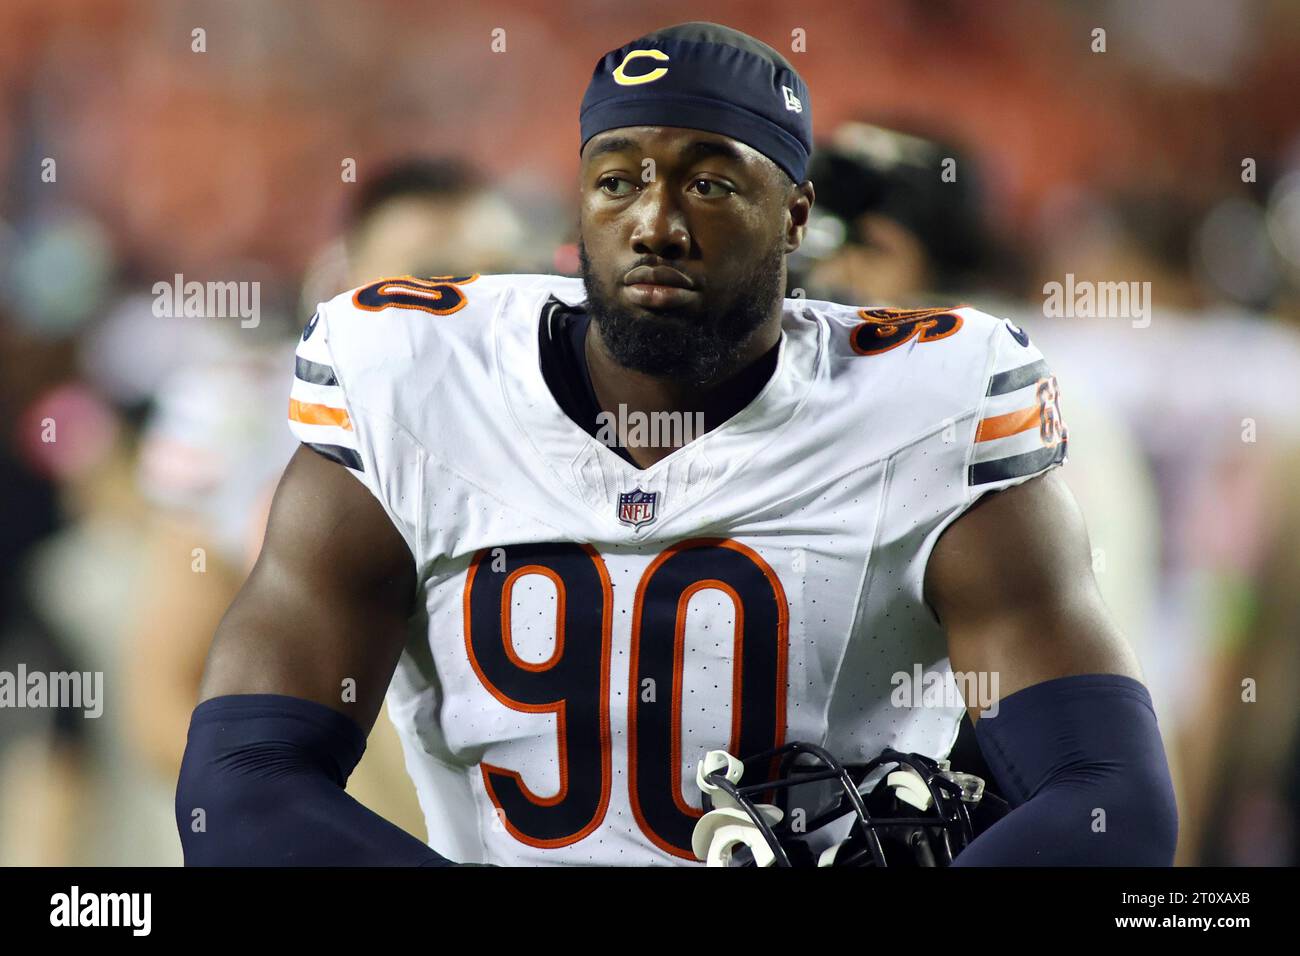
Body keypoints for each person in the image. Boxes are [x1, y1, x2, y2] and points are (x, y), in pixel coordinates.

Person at [177, 21, 1177, 866]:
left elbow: (1110, 795)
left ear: (794, 217)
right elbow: (238, 787)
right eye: (618, 180)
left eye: (708, 186)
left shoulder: (925, 404)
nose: (654, 221)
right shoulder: (415, 377)